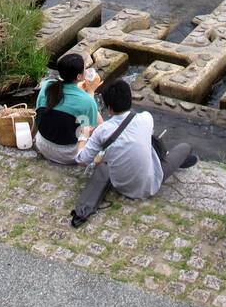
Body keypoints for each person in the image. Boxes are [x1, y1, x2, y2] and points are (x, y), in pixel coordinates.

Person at [70, 80, 195, 227]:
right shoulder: (146, 118)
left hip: (120, 185)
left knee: (104, 160)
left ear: (108, 108)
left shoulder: (102, 130)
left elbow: (80, 159)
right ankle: (173, 160)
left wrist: (84, 135)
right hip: (151, 184)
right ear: (130, 99)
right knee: (185, 147)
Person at [34, 53, 101, 165]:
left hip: (43, 145)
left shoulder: (46, 86)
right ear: (79, 77)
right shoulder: (86, 101)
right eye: (84, 69)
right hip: (68, 155)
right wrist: (90, 92)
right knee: (91, 126)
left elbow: (39, 112)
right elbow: (93, 128)